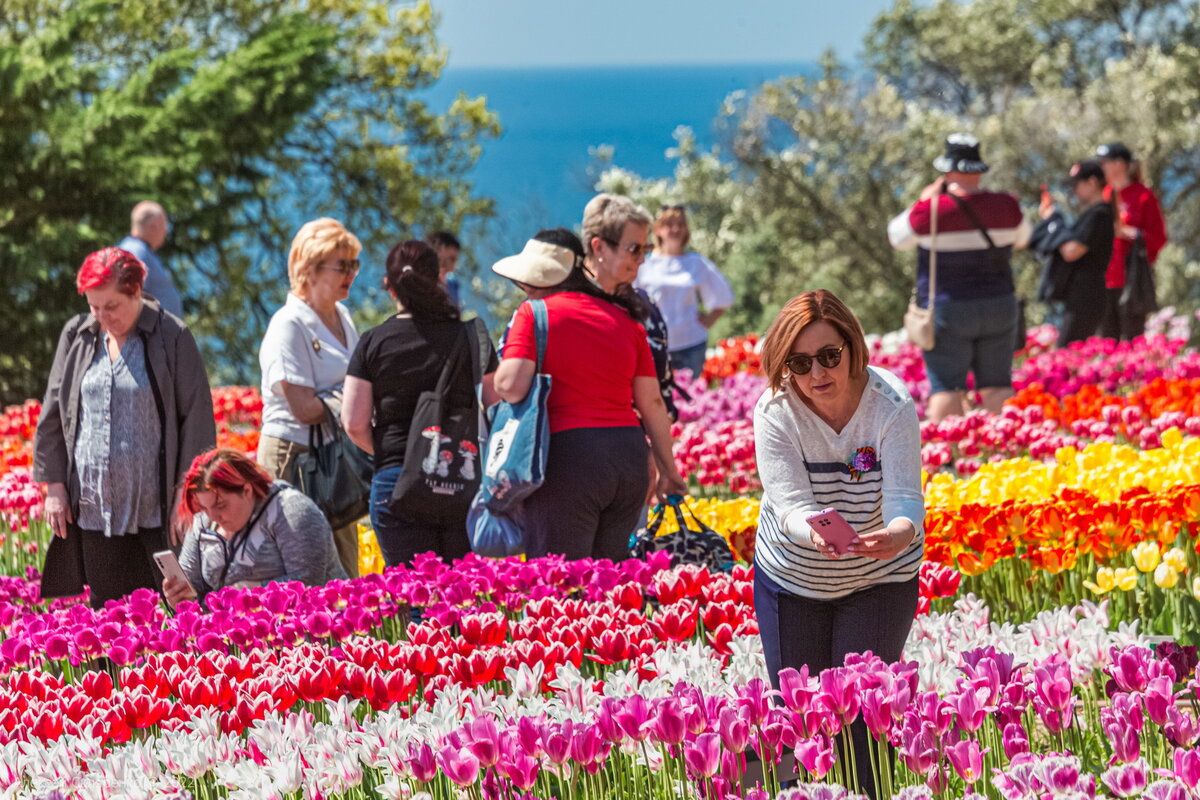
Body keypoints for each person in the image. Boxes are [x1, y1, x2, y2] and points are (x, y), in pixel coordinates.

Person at [752, 289, 924, 798]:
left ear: (853, 347)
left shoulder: (891, 405)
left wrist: (897, 534)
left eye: (830, 356)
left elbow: (904, 497)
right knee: (803, 723)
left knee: (864, 719)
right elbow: (789, 504)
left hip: (880, 576)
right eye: (800, 363)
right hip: (793, 579)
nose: (817, 374)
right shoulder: (776, 410)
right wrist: (815, 534)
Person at [34, 247, 215, 608]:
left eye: (111, 306)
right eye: (94, 306)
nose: (102, 316)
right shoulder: (78, 335)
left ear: (135, 292)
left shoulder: (170, 336)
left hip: (157, 505)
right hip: (95, 507)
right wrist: (54, 485)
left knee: (182, 608)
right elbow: (54, 412)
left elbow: (196, 417)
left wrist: (188, 491)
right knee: (110, 617)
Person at [492, 228, 688, 561]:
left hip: (566, 460)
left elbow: (509, 386)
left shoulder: (533, 314)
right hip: (628, 461)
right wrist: (669, 471)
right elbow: (653, 403)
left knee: (560, 586)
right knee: (611, 585)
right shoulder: (626, 319)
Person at [342, 241, 498, 567]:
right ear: (439, 278)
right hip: (459, 475)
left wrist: (402, 456)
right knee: (464, 596)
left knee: (415, 599)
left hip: (397, 482)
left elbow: (354, 423)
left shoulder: (373, 341)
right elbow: (497, 406)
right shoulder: (470, 336)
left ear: (389, 286)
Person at [888, 133, 1031, 423]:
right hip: (999, 305)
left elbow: (897, 238)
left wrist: (925, 199)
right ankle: (1007, 449)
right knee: (998, 385)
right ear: (978, 170)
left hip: (949, 309)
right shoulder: (1007, 205)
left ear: (948, 171)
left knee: (946, 388)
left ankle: (948, 453)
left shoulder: (932, 211)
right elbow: (1023, 238)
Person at [257, 217, 362, 577]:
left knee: (343, 561)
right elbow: (303, 407)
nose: (351, 274)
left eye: (354, 265)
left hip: (332, 456)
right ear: (310, 270)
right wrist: (353, 399)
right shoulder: (289, 324)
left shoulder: (343, 316)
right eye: (342, 266)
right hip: (293, 458)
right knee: (300, 563)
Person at [163, 448, 347, 607]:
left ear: (247, 490)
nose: (213, 517)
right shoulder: (203, 522)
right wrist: (180, 598)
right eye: (204, 507)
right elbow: (194, 591)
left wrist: (249, 592)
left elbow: (307, 582)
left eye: (221, 505)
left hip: (307, 631)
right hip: (234, 636)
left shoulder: (291, 510)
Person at [635, 204, 733, 380]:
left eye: (680, 224)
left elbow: (723, 294)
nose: (676, 229)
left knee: (690, 400)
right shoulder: (645, 264)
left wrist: (710, 318)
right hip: (655, 346)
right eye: (669, 224)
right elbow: (629, 299)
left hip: (691, 345)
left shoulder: (695, 263)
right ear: (658, 230)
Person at [1032, 161, 1116, 347]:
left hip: (1087, 297)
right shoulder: (1092, 214)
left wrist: (1054, 221)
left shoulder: (1100, 214)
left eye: (1075, 185)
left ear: (1092, 182)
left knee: (1066, 355)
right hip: (1080, 296)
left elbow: (1071, 251)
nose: (1073, 191)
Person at [1095, 142, 1168, 341]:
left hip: (1131, 282)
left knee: (1132, 342)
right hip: (1103, 280)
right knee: (1105, 343)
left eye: (1105, 162)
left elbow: (1159, 238)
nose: (1101, 167)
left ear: (1119, 164)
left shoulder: (1143, 196)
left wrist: (1128, 233)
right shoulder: (1103, 195)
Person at [116, 201, 183, 318]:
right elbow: (126, 295)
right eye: (164, 226)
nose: (166, 231)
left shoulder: (143, 251)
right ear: (153, 227)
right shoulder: (135, 251)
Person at [427, 231, 462, 310]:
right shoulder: (421, 285)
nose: (446, 263)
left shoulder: (453, 285)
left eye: (453, 259)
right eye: (451, 259)